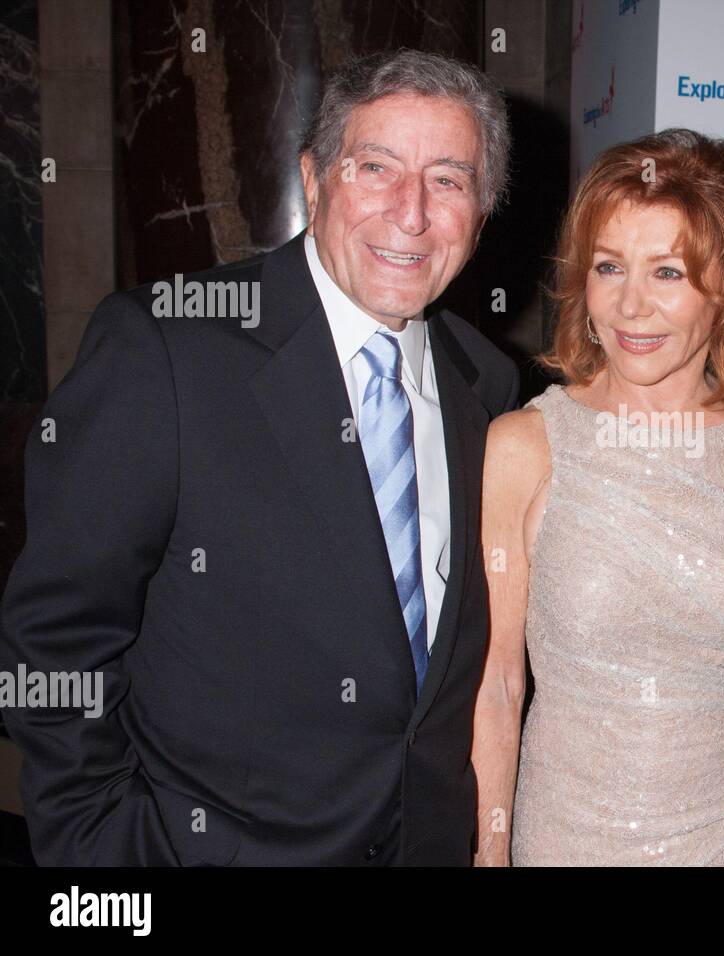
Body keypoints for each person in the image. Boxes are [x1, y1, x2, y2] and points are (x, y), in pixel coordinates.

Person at [0, 49, 518, 865]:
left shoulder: (484, 384)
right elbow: (53, 645)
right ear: (313, 181)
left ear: (481, 212)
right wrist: (104, 850)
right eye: (374, 167)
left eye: (448, 180)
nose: (410, 213)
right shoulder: (167, 351)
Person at [472, 128, 724, 866]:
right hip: (574, 842)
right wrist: (490, 850)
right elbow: (498, 685)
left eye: (668, 272)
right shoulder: (524, 447)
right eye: (609, 267)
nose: (630, 306)